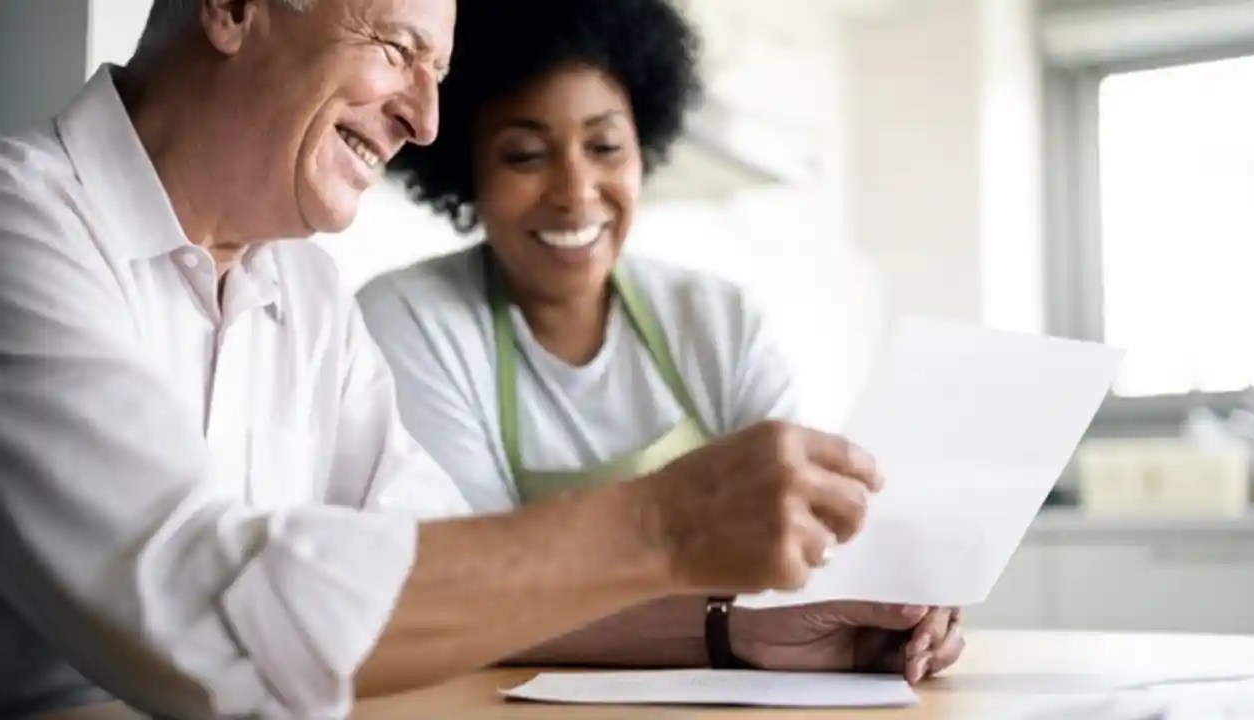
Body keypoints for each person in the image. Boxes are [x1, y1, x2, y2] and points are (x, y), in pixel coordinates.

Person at [0, 0, 892, 717]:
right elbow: (200, 616)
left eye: (439, 76)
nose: (425, 121)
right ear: (234, 9)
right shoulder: (21, 229)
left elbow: (447, 582)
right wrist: (662, 529)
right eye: (396, 48)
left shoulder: (303, 291)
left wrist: (741, 635)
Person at [358, 0, 964, 682]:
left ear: (645, 146)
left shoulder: (717, 319)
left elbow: (806, 543)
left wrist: (881, 607)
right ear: (468, 174)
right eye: (525, 155)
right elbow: (465, 598)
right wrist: (731, 624)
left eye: (606, 146)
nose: (576, 192)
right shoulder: (408, 321)